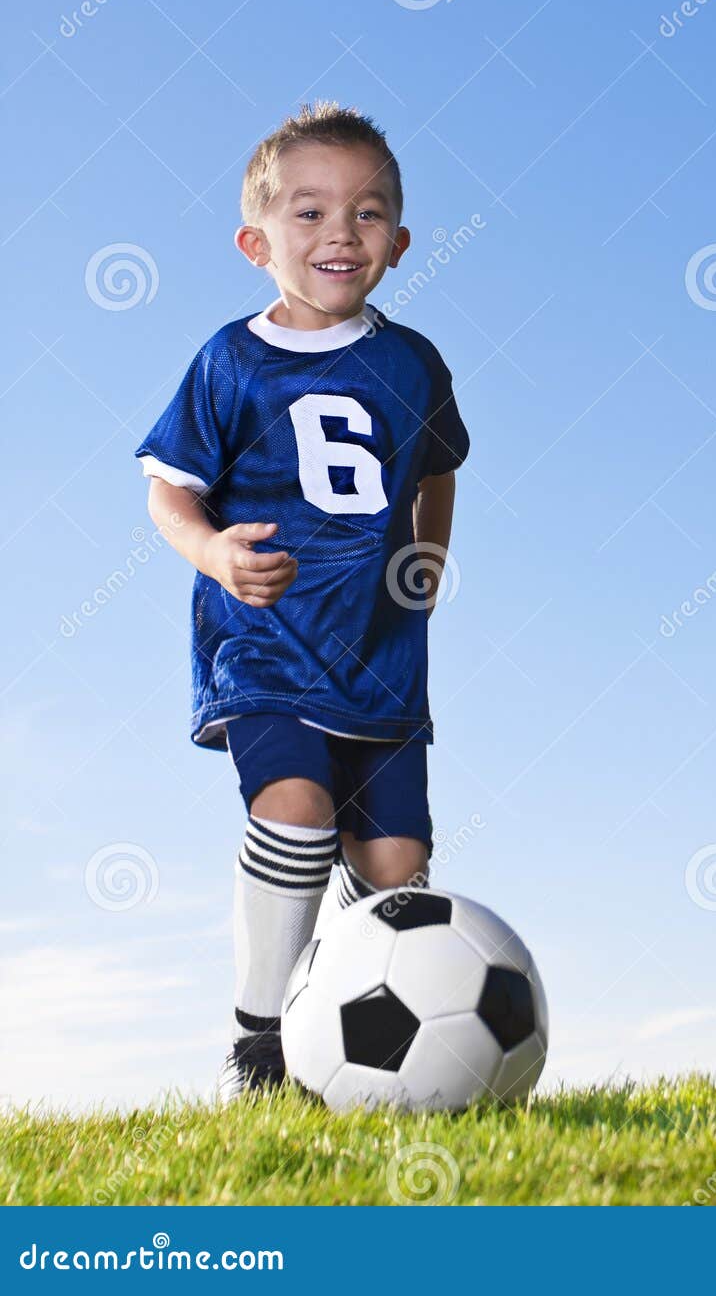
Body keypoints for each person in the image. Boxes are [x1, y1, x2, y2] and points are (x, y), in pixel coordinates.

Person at [135, 100, 468, 1098]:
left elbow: (439, 467)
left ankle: (367, 1045)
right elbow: (166, 487)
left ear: (399, 243)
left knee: (399, 864)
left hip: (380, 659)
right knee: (294, 811)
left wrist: (427, 557)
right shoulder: (232, 361)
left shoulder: (411, 364)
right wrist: (214, 553)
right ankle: (261, 1035)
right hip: (266, 651)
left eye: (367, 215)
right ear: (257, 240)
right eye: (311, 214)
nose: (341, 235)